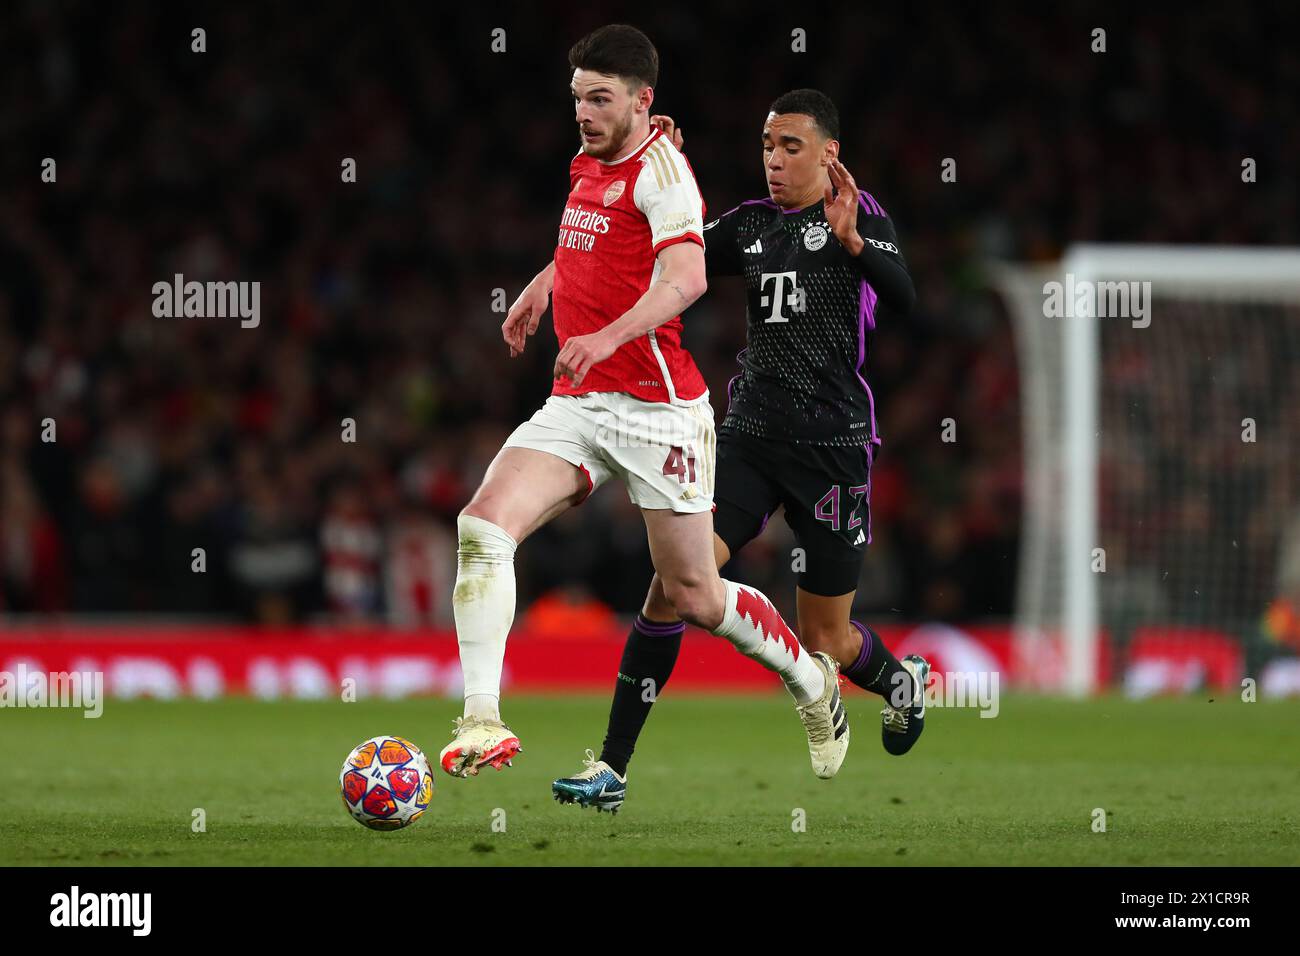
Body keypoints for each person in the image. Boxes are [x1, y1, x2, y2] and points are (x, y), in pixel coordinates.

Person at [439, 29, 848, 781]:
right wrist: (547, 283)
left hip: (658, 410)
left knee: (693, 594)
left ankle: (810, 677)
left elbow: (685, 278)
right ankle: (481, 719)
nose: (585, 114)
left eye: (600, 99)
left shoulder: (665, 174)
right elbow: (591, 244)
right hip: (580, 402)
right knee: (483, 526)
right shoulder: (589, 159)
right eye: (577, 99)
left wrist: (604, 335)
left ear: (642, 101)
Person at [553, 90, 929, 813]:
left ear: (829, 154)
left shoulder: (857, 215)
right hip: (749, 440)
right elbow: (670, 247)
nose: (775, 161)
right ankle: (612, 769)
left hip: (832, 450)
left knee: (828, 636)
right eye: (766, 145)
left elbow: (908, 301)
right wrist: (658, 160)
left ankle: (897, 681)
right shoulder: (751, 228)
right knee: (671, 585)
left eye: (791, 146)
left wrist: (853, 242)